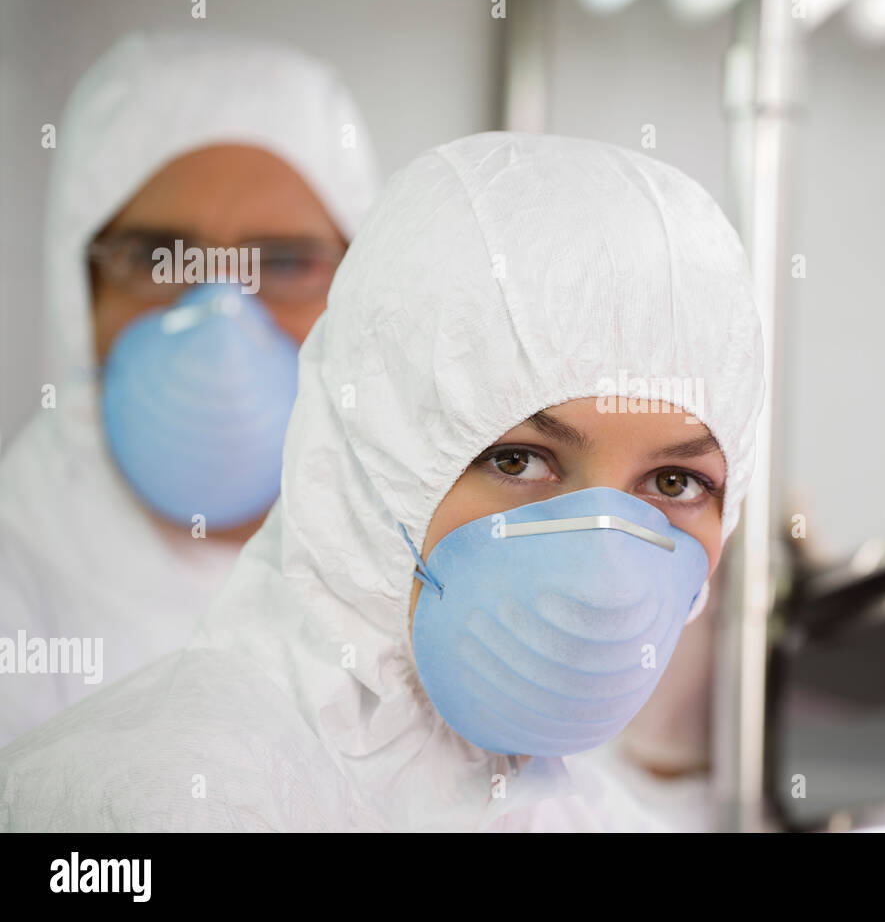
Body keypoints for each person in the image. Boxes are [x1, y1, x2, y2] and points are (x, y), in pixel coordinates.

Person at [0, 131, 764, 831]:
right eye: (517, 460)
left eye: (672, 481)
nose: (604, 566)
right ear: (372, 459)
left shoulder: (592, 817)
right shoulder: (139, 808)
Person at [0, 31, 380, 743]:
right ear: (74, 287)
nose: (220, 312)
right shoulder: (17, 578)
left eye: (285, 260)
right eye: (155, 257)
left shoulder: (418, 572)